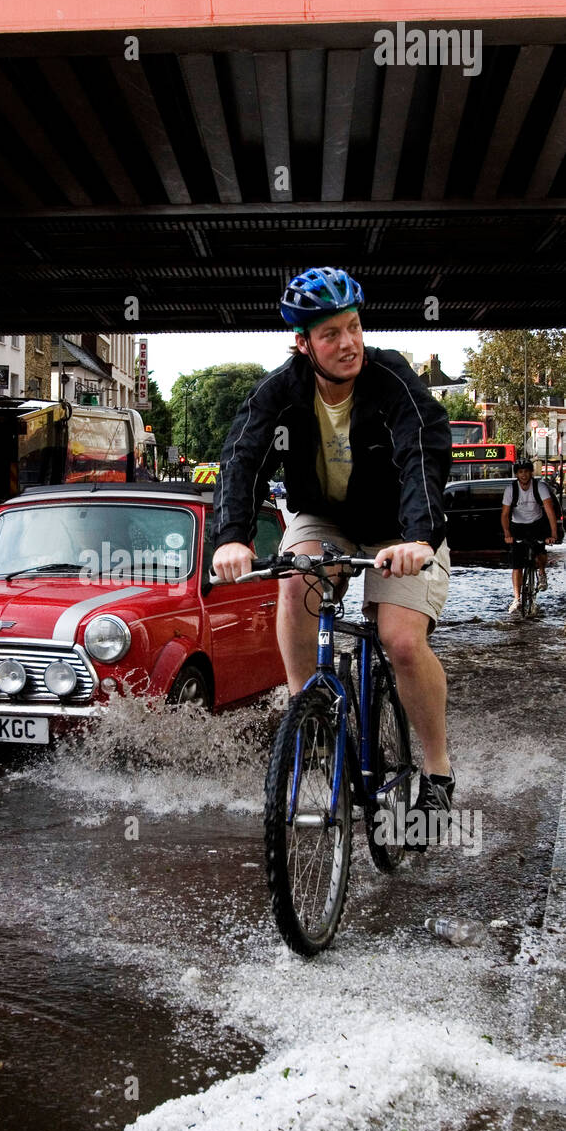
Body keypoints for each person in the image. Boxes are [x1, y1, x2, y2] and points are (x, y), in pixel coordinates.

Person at [212, 266, 455, 840]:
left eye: (354, 327)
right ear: (303, 344)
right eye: (330, 334)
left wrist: (420, 537)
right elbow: (241, 459)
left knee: (398, 639)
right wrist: (231, 537)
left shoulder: (391, 379)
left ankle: (440, 773)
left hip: (401, 524)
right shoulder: (279, 391)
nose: (348, 343)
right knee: (296, 583)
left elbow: (425, 449)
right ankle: (308, 718)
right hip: (324, 516)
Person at [502, 459, 558, 613]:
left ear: (531, 472)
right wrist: (507, 534)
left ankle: (541, 572)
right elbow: (505, 514)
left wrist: (552, 534)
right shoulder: (510, 489)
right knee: (516, 565)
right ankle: (517, 599)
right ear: (517, 474)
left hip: (537, 524)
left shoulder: (540, 487)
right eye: (520, 472)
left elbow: (549, 511)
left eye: (526, 471)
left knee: (540, 553)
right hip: (517, 526)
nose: (524, 475)